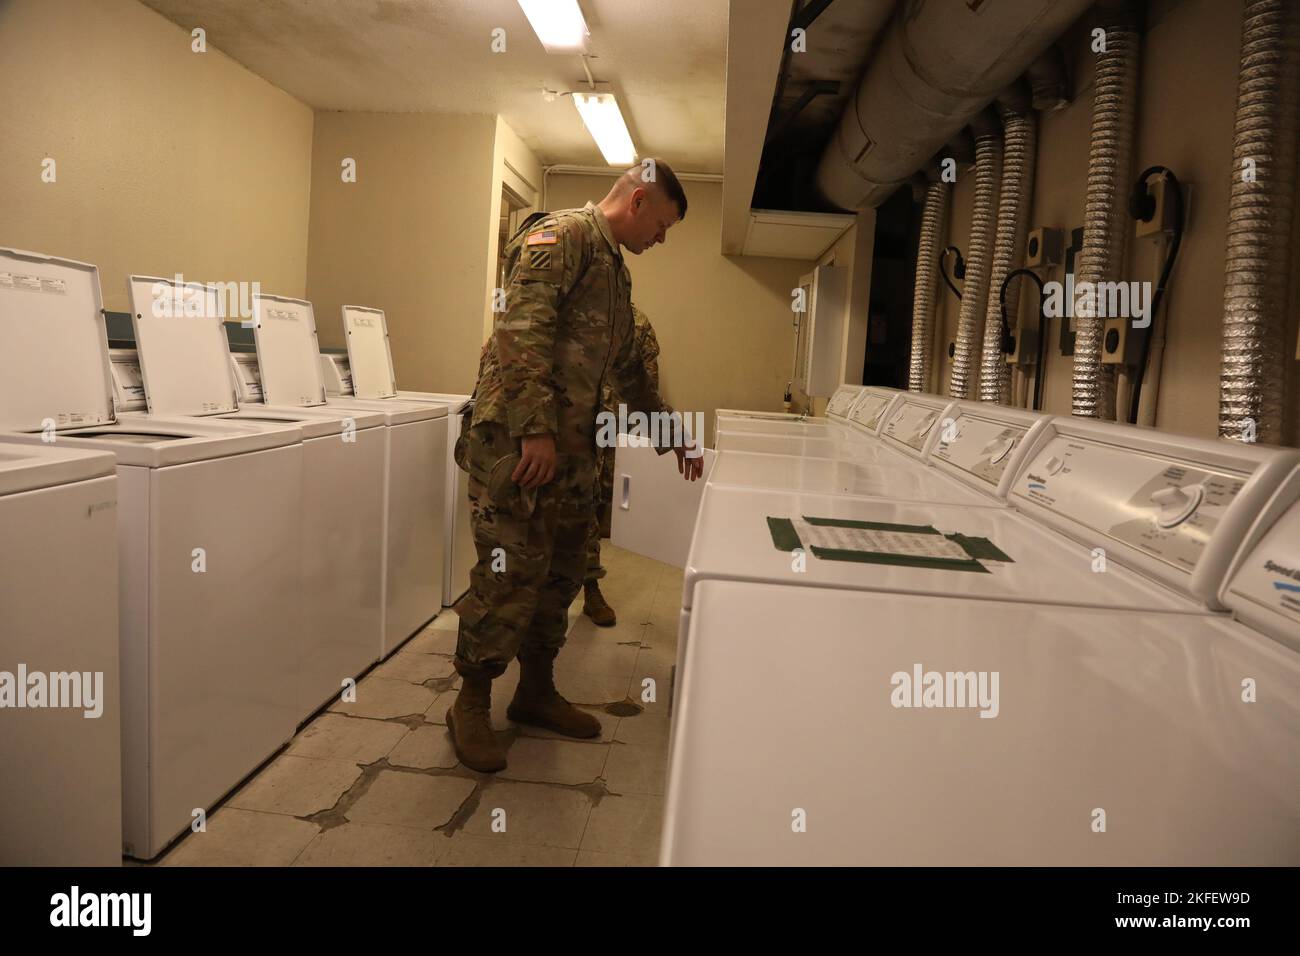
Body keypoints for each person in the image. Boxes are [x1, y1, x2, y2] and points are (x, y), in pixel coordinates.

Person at [448, 160, 704, 773]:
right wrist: (534, 429)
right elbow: (518, 328)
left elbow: (629, 371)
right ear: (638, 200)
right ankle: (471, 703)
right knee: (509, 573)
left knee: (560, 572)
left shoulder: (615, 270)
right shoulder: (560, 236)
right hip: (520, 449)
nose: (660, 240)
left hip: (572, 454)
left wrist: (674, 435)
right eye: (663, 226)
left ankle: (536, 691)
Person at [582, 305, 669, 626]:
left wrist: (659, 431)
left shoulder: (638, 322)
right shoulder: (561, 311)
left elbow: (647, 381)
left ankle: (590, 586)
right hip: (570, 425)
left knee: (596, 501)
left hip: (615, 426)